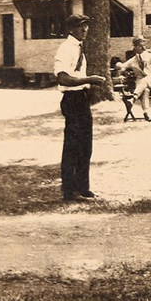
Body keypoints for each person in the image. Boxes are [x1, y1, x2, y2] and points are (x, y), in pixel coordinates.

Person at [52, 14, 109, 202]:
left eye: (86, 26)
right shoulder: (65, 49)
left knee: (85, 145)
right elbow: (63, 78)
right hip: (72, 99)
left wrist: (89, 85)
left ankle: (83, 188)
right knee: (73, 146)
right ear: (70, 29)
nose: (84, 29)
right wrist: (89, 79)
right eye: (79, 26)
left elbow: (77, 75)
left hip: (81, 99)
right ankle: (69, 191)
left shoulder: (79, 48)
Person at [120, 35, 151, 120]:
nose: (134, 48)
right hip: (142, 87)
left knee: (144, 81)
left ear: (141, 46)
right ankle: (146, 113)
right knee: (145, 90)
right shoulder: (133, 60)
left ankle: (133, 99)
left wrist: (147, 79)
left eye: (136, 46)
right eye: (135, 46)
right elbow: (122, 66)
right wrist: (117, 64)